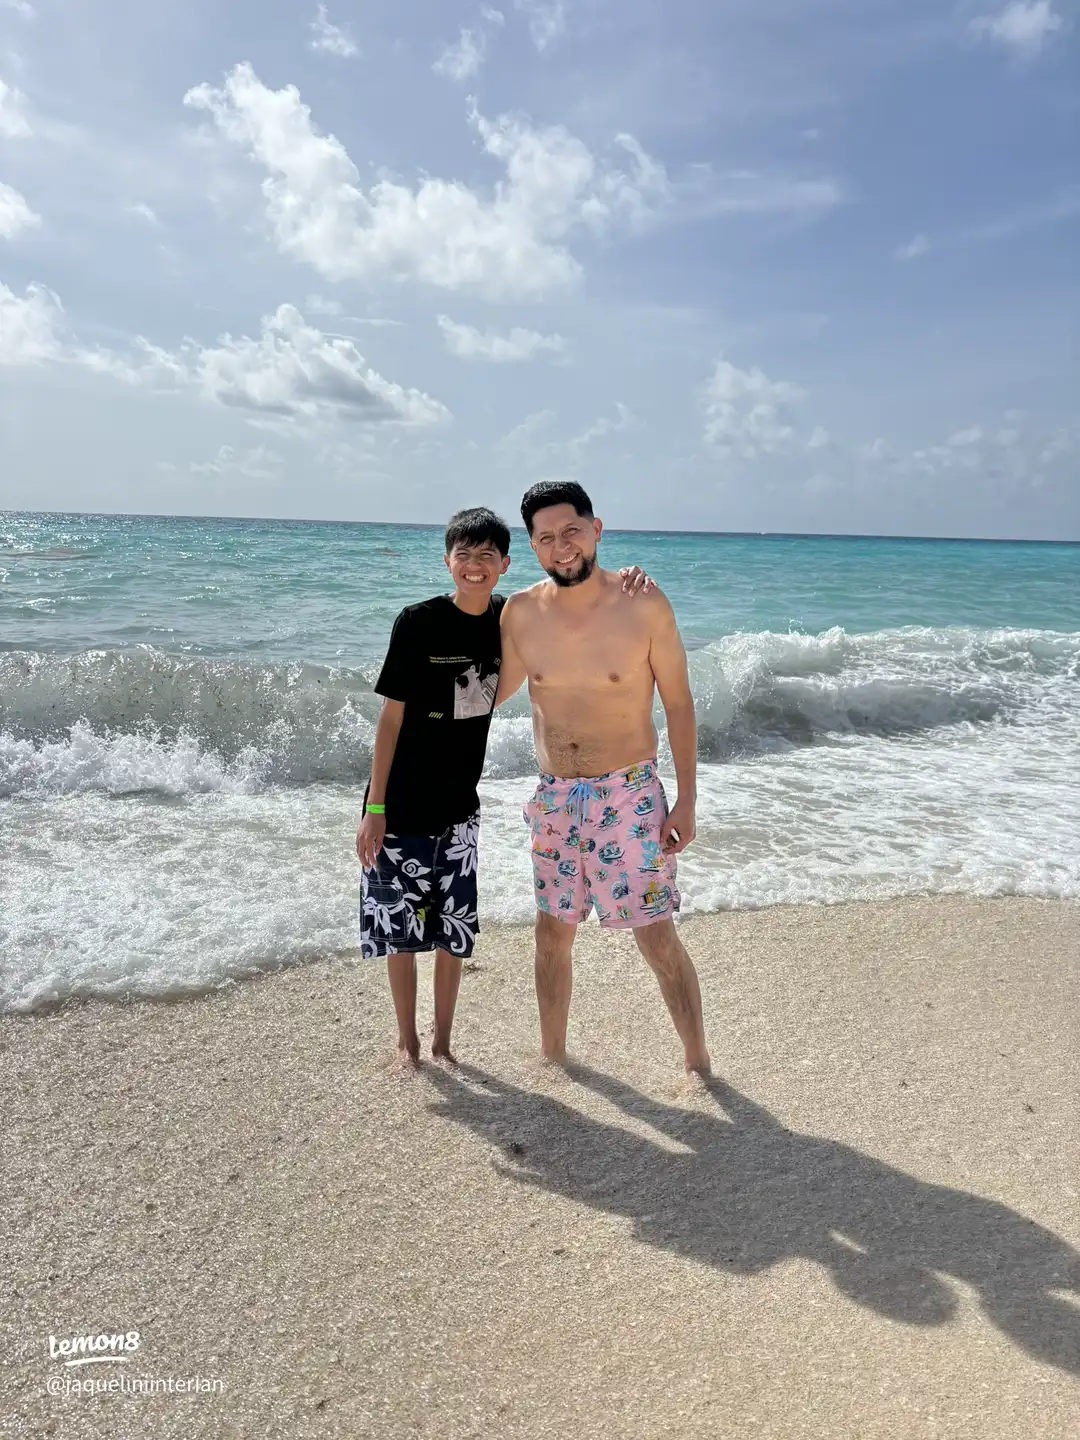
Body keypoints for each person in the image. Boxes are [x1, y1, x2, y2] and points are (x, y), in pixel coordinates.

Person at [356, 506, 653, 1071]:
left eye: (487, 556)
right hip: (400, 804)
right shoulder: (416, 621)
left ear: (505, 564)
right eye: (464, 555)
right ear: (447, 562)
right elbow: (390, 720)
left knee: (452, 931)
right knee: (402, 933)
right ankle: (407, 1041)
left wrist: (631, 578)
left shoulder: (505, 617)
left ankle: (442, 1042)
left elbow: (566, 598)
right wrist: (375, 805)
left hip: (459, 808)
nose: (475, 566)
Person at [496, 480, 710, 1075]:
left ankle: (697, 1064)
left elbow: (679, 705)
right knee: (550, 935)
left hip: (629, 795)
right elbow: (487, 694)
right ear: (532, 546)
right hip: (555, 798)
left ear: (596, 529)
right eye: (546, 538)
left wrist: (686, 801)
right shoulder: (520, 613)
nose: (561, 546)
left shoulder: (643, 603)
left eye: (571, 530)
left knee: (656, 937)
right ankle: (553, 1057)